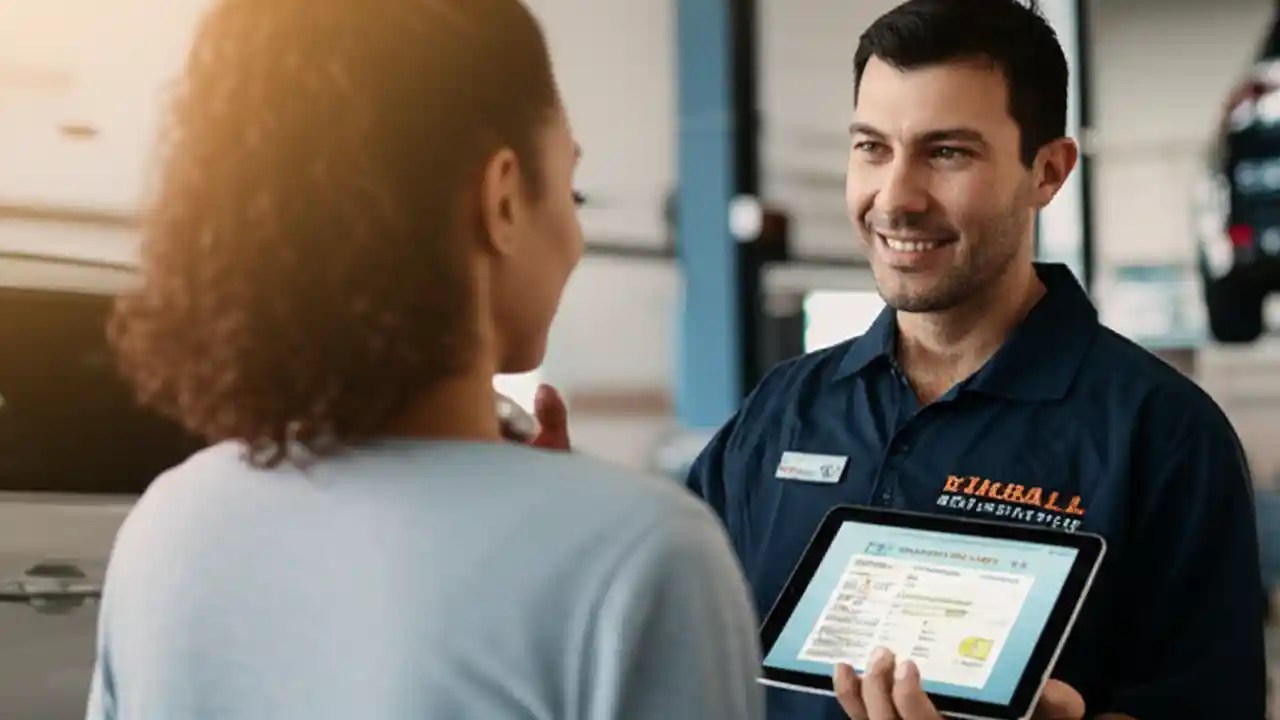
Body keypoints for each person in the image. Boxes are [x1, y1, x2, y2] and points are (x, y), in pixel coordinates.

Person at [530, 0, 1268, 718]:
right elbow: (671, 643)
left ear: (1047, 171)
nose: (897, 197)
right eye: (872, 148)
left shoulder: (1162, 436)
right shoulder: (785, 411)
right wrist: (577, 541)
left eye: (947, 152)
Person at [84, 1, 764, 718]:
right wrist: (563, 519)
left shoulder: (170, 523)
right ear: (503, 199)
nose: (575, 236)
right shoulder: (641, 554)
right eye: (570, 190)